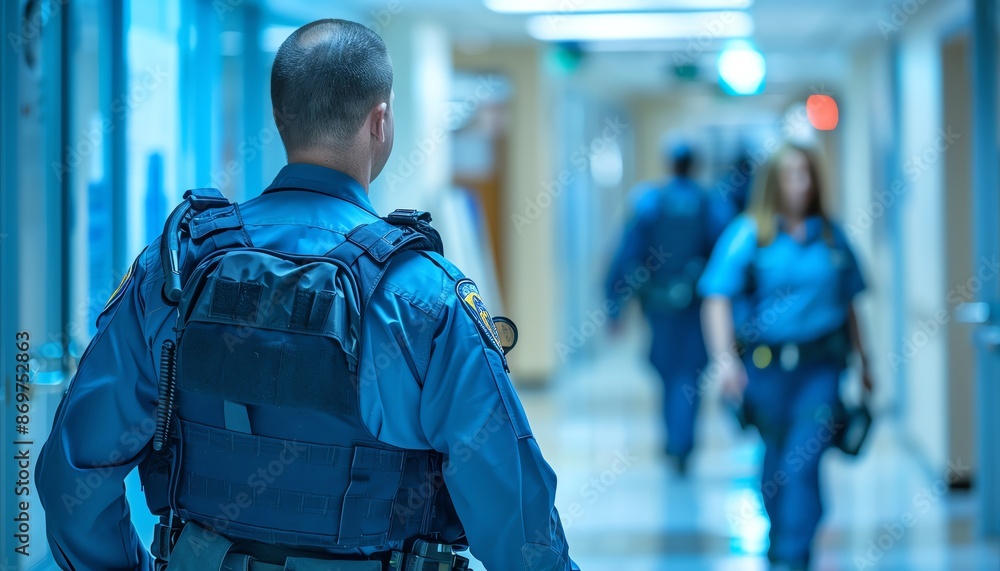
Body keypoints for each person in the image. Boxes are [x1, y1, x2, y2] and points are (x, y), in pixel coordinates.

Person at [37, 19, 577, 571]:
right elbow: (515, 517)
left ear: (279, 117)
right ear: (381, 120)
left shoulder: (174, 271)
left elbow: (71, 476)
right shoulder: (424, 299)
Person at [698, 144, 872, 570]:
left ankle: (796, 552)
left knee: (804, 460)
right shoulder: (749, 233)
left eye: (807, 174)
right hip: (766, 370)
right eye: (791, 174)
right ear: (773, 182)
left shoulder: (830, 235)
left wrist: (866, 362)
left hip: (821, 368)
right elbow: (716, 297)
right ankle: (781, 543)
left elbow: (849, 302)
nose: (801, 183)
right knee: (777, 460)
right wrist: (724, 361)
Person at [605, 141, 726, 474]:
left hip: (659, 307)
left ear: (670, 164)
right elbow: (726, 258)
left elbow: (626, 255)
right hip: (696, 308)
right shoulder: (710, 205)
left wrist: (615, 305)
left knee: (668, 372)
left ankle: (676, 441)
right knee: (690, 373)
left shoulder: (651, 203)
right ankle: (682, 443)